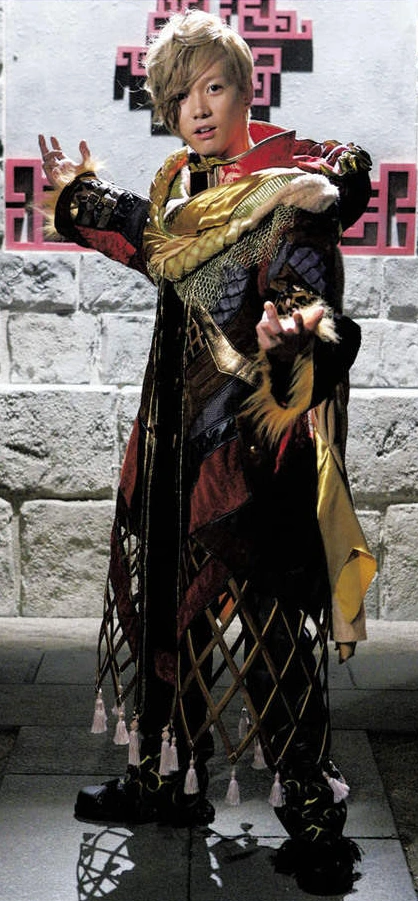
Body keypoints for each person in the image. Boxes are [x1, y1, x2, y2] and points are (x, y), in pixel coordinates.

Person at [39, 9, 375, 895]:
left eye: (213, 87)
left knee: (272, 641)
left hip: (251, 460)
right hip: (169, 452)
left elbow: (315, 306)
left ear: (244, 89)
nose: (196, 108)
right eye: (179, 95)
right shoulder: (181, 191)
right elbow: (142, 237)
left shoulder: (289, 194)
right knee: (163, 625)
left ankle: (313, 817)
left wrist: (298, 333)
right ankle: (165, 782)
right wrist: (76, 195)